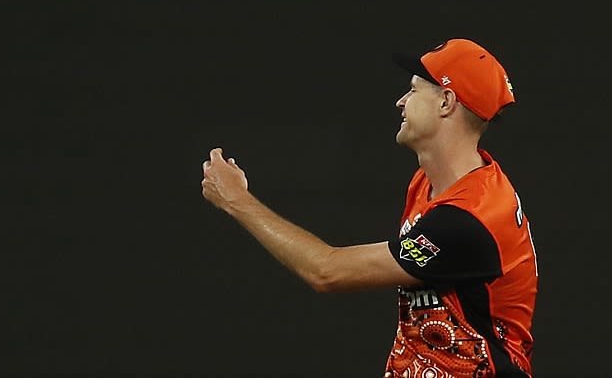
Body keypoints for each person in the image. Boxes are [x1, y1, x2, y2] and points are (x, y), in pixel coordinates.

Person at [200, 38, 537, 378]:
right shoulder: (430, 183)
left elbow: (326, 271)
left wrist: (235, 199)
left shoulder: (468, 218)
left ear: (446, 102)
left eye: (414, 90)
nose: (400, 101)